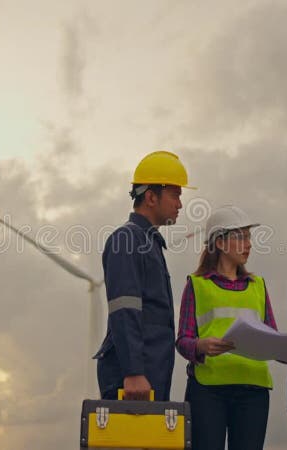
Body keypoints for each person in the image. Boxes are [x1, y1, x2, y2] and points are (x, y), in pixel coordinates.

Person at [176, 205, 287, 450]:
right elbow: (182, 340)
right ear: (220, 243)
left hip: (253, 391)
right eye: (241, 237)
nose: (249, 244)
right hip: (209, 391)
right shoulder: (197, 285)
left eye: (249, 237)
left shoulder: (258, 286)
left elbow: (273, 340)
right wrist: (200, 345)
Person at [94, 150, 193, 401]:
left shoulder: (148, 242)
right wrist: (133, 371)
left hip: (151, 370)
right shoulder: (127, 239)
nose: (179, 205)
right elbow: (124, 308)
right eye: (175, 195)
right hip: (133, 378)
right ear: (150, 197)